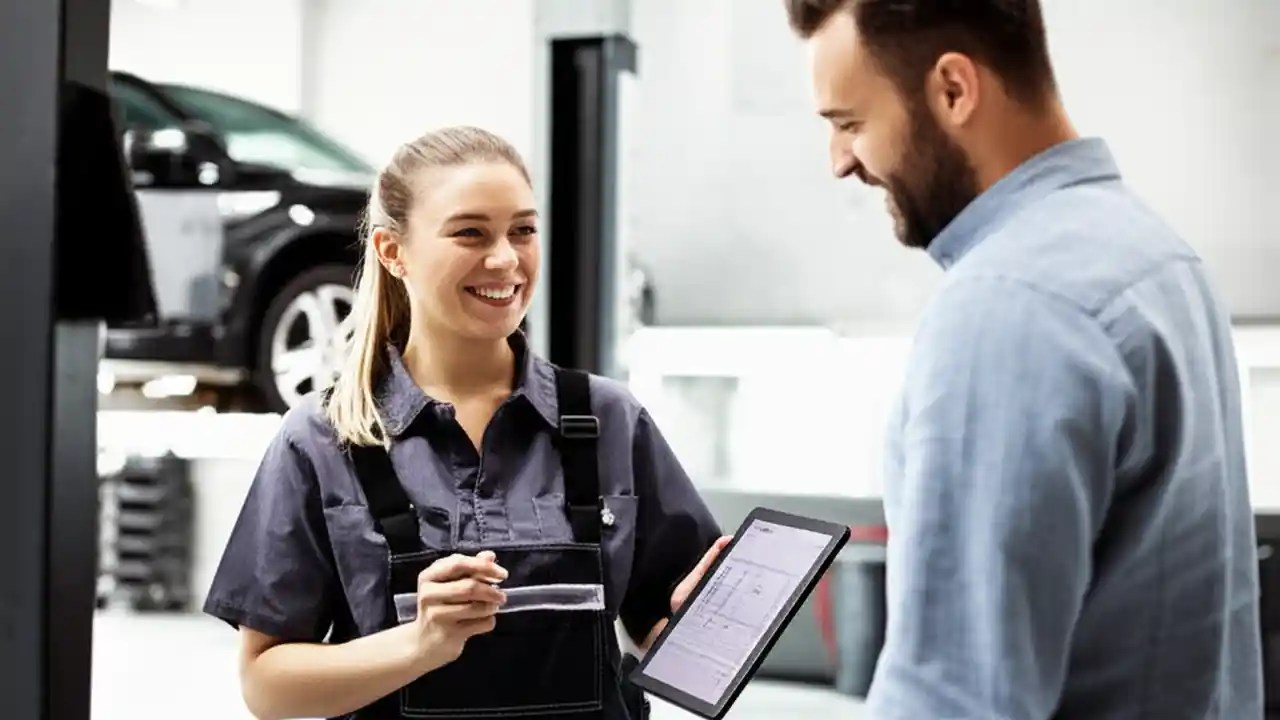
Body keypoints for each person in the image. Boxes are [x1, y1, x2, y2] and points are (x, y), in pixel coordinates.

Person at [785, 1, 1263, 718]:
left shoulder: (1011, 304)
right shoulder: (1159, 256)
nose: (840, 162)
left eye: (850, 124)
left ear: (953, 89)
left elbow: (957, 698)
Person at [202, 125, 728, 720]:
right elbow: (267, 687)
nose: (505, 259)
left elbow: (668, 645)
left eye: (523, 230)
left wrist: (700, 635)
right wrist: (418, 645)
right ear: (392, 251)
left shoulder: (609, 420)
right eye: (469, 233)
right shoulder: (324, 439)